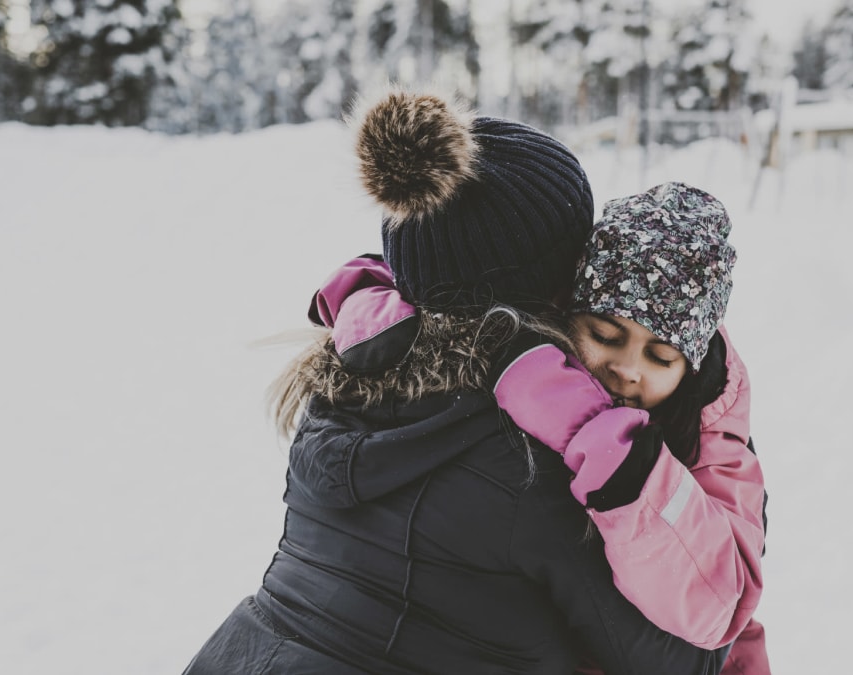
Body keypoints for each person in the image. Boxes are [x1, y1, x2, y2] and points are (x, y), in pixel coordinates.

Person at [181, 90, 727, 674]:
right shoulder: (532, 457)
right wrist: (721, 451)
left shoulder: (338, 388)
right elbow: (682, 661)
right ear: (551, 288)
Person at [313, 183, 772, 675]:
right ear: (565, 313)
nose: (627, 369)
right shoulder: (533, 364)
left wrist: (623, 462)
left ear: (691, 370)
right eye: (603, 335)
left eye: (662, 357)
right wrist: (375, 301)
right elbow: (448, 287)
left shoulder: (715, 441)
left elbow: (717, 610)